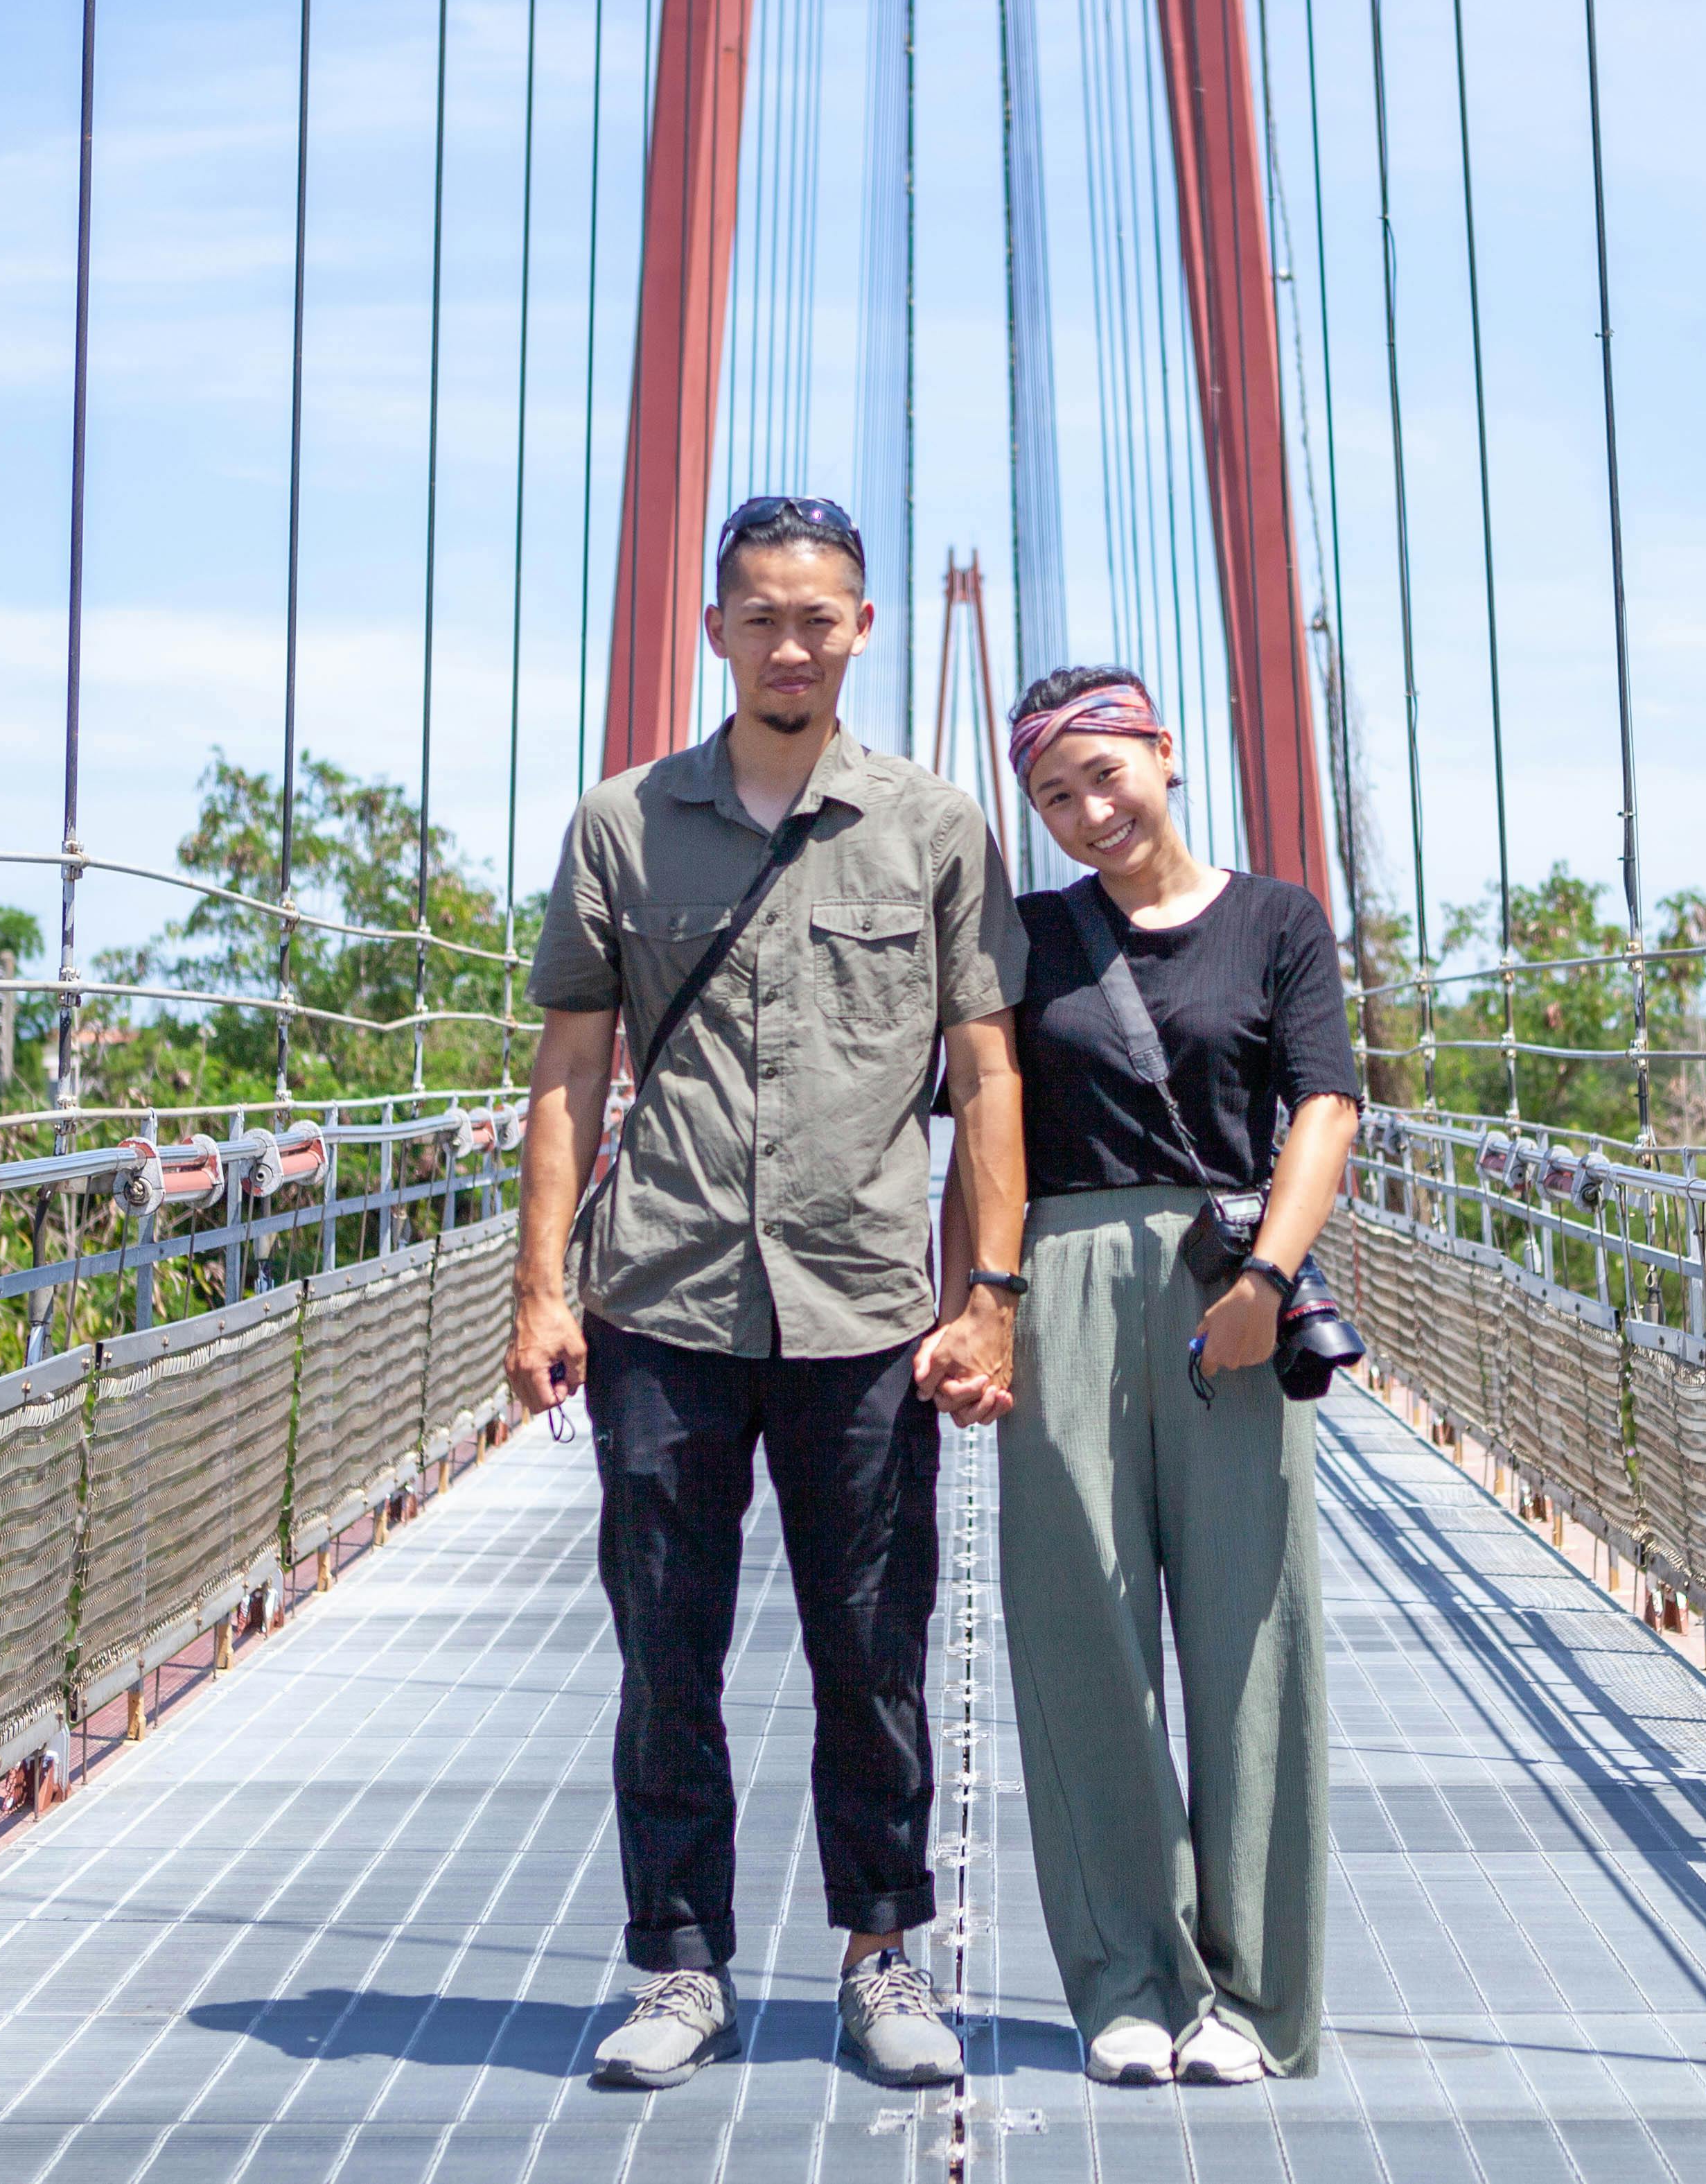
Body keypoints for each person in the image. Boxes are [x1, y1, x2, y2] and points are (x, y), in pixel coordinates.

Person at [510, 494, 1030, 2093]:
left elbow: (986, 1069)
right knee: (663, 1647)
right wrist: (539, 1288)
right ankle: (678, 1965)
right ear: (715, 627)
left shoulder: (936, 824)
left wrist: (986, 1292)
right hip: (658, 1294)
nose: (788, 640)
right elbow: (570, 1065)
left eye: (817, 615)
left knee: (869, 1647)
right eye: (758, 613)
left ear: (859, 627)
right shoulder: (622, 821)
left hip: (865, 1303)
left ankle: (882, 1956)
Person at [958, 665, 1360, 2085]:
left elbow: (1323, 1100)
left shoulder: (1276, 920)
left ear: (1164, 754)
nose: (1084, 812)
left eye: (1103, 775)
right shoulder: (1020, 934)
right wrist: (978, 1301)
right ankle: (1127, 1979)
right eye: (1052, 796)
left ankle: (1254, 2000)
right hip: (1061, 1274)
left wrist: (1265, 1280)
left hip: (1223, 1277)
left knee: (1253, 1631)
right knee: (1084, 1632)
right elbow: (974, 1108)